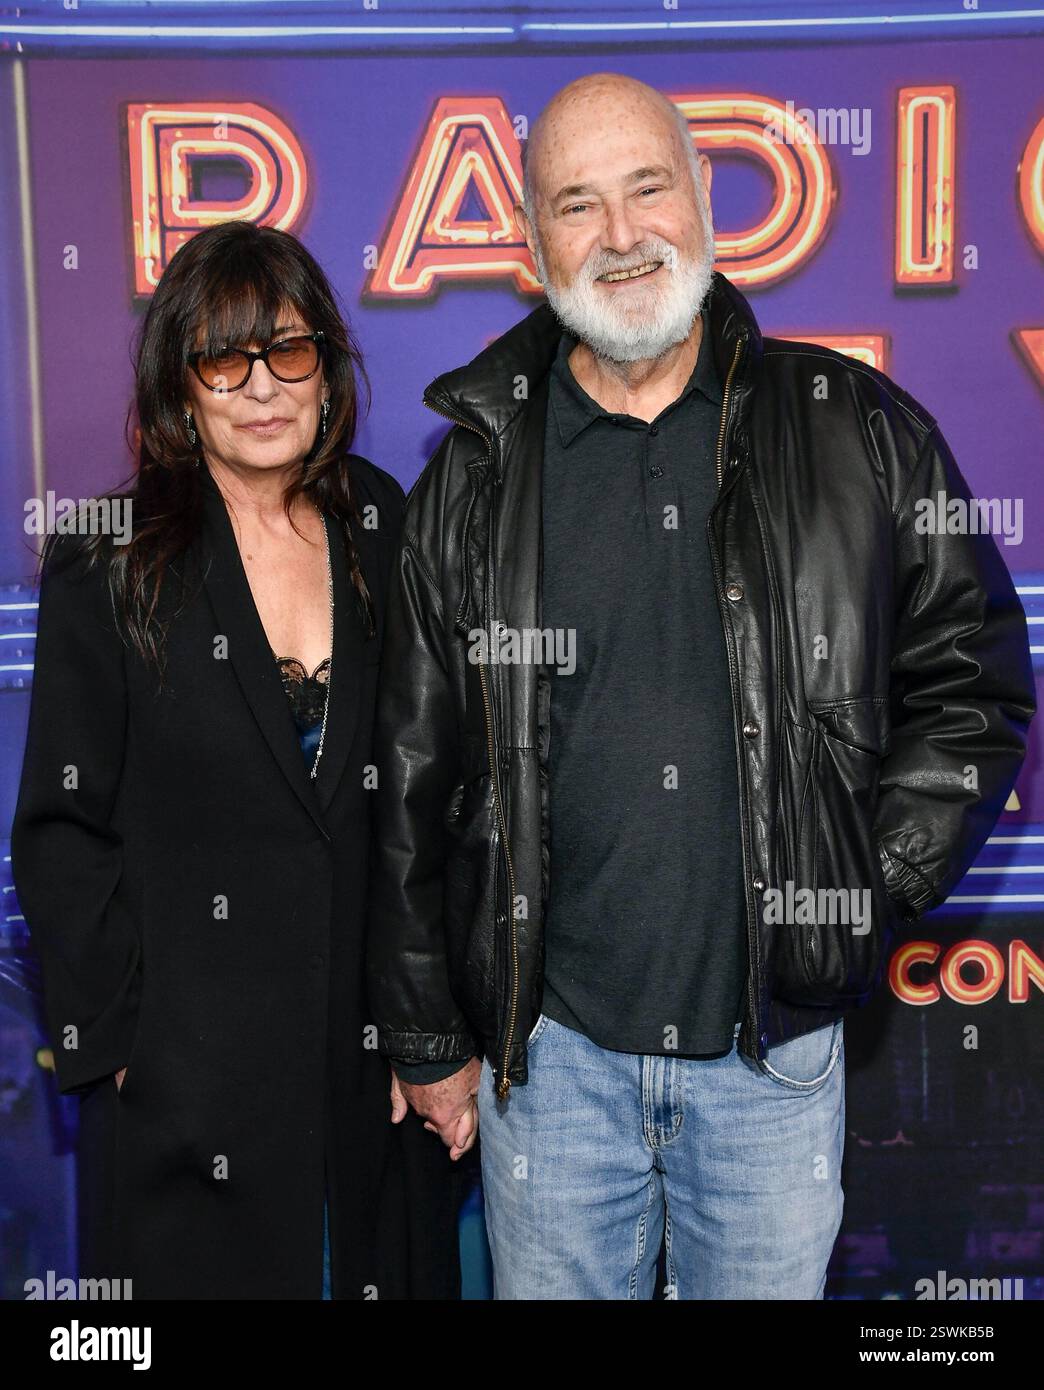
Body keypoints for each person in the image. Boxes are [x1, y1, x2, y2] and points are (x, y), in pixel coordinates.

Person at [365, 73, 1036, 1299]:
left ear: (706, 198)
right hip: (548, 1069)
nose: (621, 235)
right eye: (577, 203)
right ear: (532, 241)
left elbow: (971, 683)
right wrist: (425, 1031)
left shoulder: (853, 428)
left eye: (646, 187)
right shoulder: (476, 469)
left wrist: (857, 888)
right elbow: (414, 770)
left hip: (770, 1064)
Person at [13, 220, 462, 1299]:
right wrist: (123, 1043)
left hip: (365, 1073)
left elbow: (433, 792)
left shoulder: (380, 525)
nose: (261, 386)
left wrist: (425, 1026)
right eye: (225, 357)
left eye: (288, 351)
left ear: (326, 370)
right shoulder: (113, 553)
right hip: (188, 1080)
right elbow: (61, 827)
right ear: (184, 382)